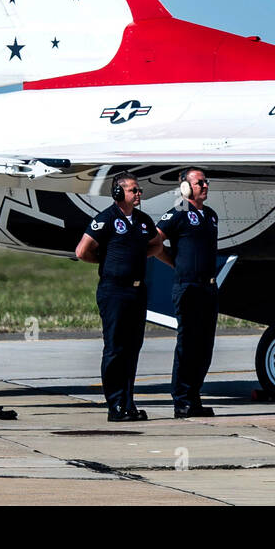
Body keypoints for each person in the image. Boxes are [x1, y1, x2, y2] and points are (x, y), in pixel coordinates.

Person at [74, 173, 161, 422]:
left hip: (137, 290)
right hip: (115, 291)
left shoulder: (143, 221)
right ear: (118, 193)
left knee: (133, 348)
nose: (138, 194)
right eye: (133, 190)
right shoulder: (106, 219)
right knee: (115, 348)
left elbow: (156, 244)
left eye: (138, 190)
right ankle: (115, 406)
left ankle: (128, 403)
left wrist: (137, 257)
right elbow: (82, 251)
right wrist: (107, 261)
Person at [155, 167, 219, 418]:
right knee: (188, 344)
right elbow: (155, 242)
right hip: (188, 287)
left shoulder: (211, 216)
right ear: (185, 187)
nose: (204, 186)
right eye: (199, 183)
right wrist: (175, 262)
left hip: (208, 287)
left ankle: (194, 397)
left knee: (205, 346)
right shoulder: (177, 213)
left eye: (206, 182)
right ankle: (181, 399)